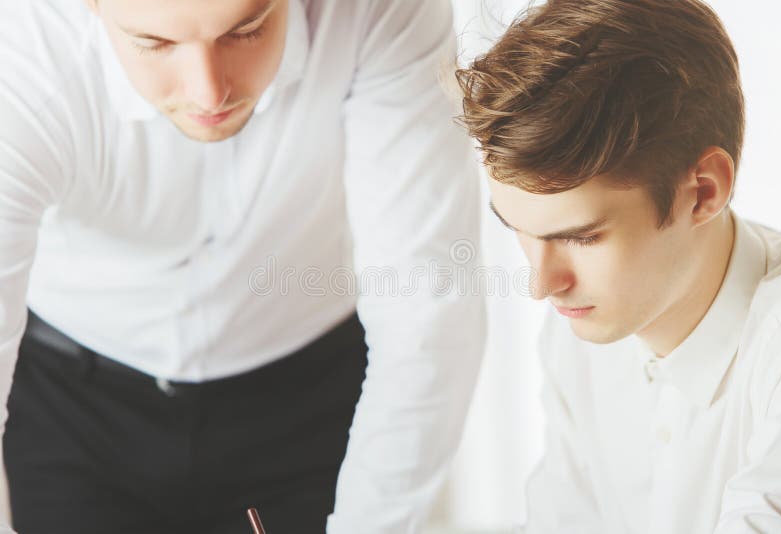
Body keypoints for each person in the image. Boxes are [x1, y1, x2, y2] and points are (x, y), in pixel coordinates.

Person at [0, 0, 487, 532]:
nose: (209, 93)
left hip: (307, 397)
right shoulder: (21, 55)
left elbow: (426, 307)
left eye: (246, 30)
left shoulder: (381, 10)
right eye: (156, 44)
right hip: (72, 407)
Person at [457, 0, 781, 532]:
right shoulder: (579, 335)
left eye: (581, 236)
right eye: (519, 231)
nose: (541, 285)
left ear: (703, 192)